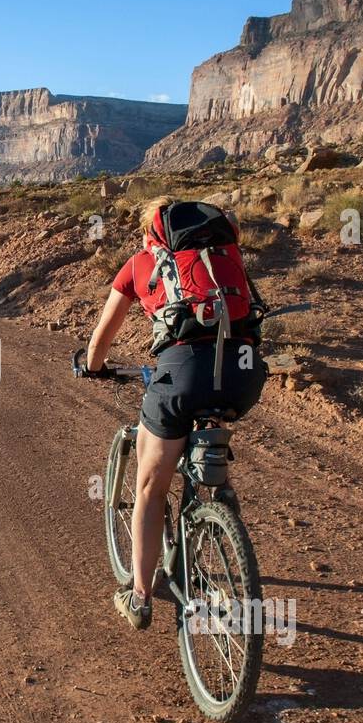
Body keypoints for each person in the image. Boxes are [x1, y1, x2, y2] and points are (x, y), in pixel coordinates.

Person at [83, 201, 268, 630]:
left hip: (182, 372)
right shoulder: (225, 256)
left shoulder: (140, 263)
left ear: (152, 230)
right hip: (244, 372)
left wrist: (93, 365)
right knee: (212, 420)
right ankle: (221, 504)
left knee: (150, 484)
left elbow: (102, 337)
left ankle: (141, 595)